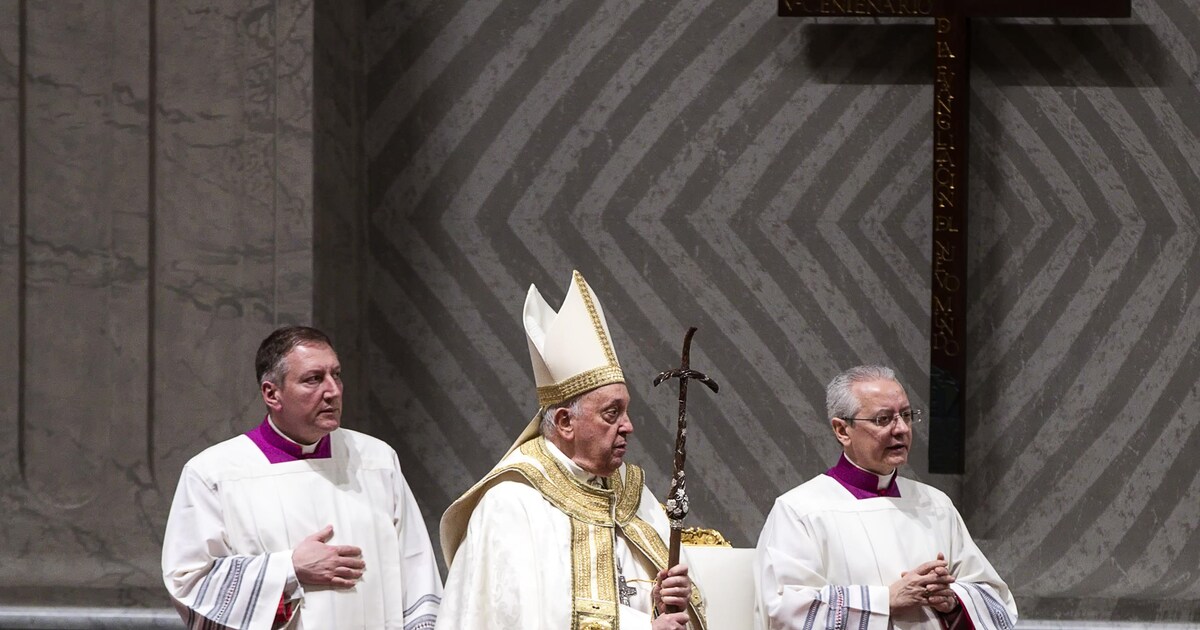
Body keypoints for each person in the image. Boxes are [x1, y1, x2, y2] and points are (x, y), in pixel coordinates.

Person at [435, 270, 706, 630]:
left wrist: (662, 605)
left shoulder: (632, 495)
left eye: (626, 411)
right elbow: (523, 619)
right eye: (611, 413)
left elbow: (667, 613)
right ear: (565, 422)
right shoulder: (511, 505)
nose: (628, 426)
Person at [162, 326, 443, 629]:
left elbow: (418, 572)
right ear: (272, 394)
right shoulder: (214, 473)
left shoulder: (377, 460)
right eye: (314, 379)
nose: (333, 391)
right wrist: (289, 568)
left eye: (336, 375)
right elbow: (190, 583)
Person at [755, 365, 1017, 630]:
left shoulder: (936, 505)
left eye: (906, 415)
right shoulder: (799, 510)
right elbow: (785, 610)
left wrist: (953, 602)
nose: (901, 428)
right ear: (842, 430)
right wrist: (885, 600)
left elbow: (995, 600)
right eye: (883, 419)